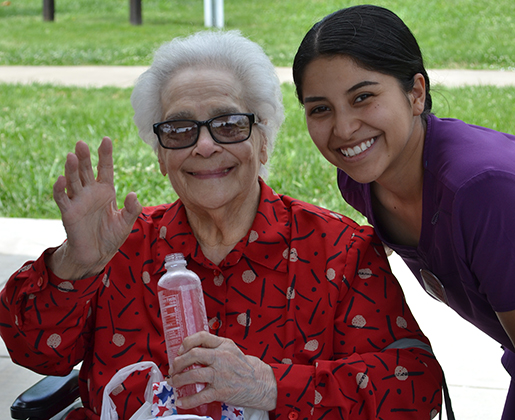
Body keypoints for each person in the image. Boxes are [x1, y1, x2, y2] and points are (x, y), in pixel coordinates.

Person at [0, 30, 443, 420]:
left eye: (229, 124)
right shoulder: (117, 248)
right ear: (160, 154)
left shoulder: (338, 251)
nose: (205, 146)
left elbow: (415, 389)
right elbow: (33, 349)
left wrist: (269, 385)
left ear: (264, 140)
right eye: (179, 130)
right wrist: (74, 265)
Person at [292, 4, 515, 418]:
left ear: (416, 92)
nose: (343, 129)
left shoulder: (481, 191)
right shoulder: (360, 180)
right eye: (320, 108)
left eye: (363, 97)